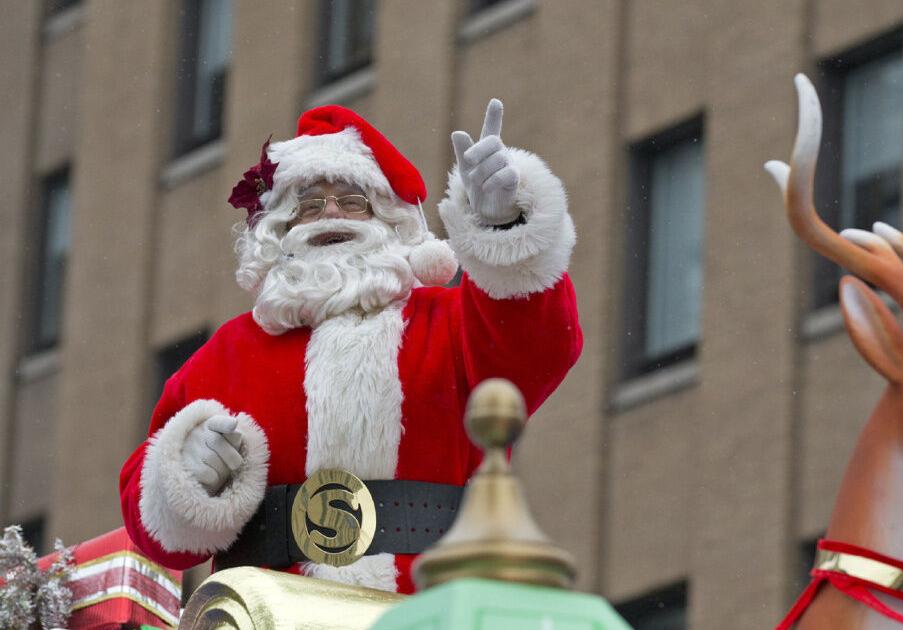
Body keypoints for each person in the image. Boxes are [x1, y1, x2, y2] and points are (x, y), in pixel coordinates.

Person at [118, 100, 582, 593]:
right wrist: (189, 474)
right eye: (309, 205)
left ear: (389, 217)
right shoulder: (230, 352)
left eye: (352, 199)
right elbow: (155, 533)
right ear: (279, 231)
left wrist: (506, 230)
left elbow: (543, 346)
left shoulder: (450, 323)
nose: (331, 213)